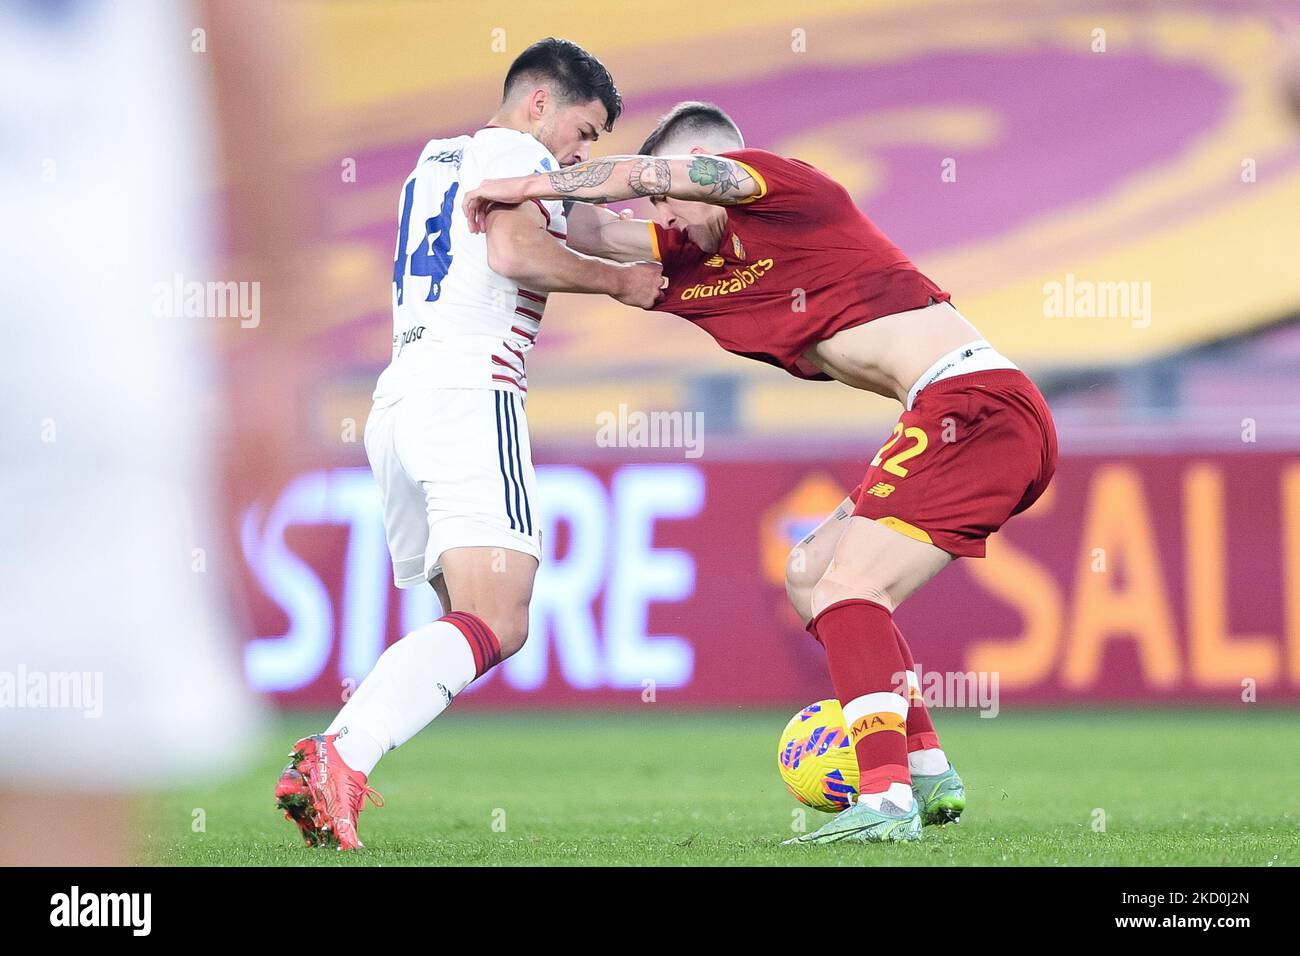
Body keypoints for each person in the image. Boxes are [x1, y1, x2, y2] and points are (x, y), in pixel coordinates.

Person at [463, 101, 1057, 844]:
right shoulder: (693, 262)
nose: (663, 216)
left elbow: (651, 176)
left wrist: (532, 183)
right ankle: (926, 769)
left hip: (974, 402)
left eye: (669, 198)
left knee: (851, 584)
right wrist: (501, 175)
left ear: (706, 168)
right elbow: (589, 230)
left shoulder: (783, 191)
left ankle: (884, 798)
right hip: (940, 413)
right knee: (811, 572)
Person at [275, 38, 664, 851]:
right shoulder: (519, 152)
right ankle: (339, 755)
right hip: (469, 392)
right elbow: (518, 249)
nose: (582, 153)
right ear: (538, 104)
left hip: (401, 398)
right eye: (585, 132)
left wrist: (678, 250)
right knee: (501, 618)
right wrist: (623, 284)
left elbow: (586, 220)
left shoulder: (435, 162)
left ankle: (334, 760)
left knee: (467, 619)